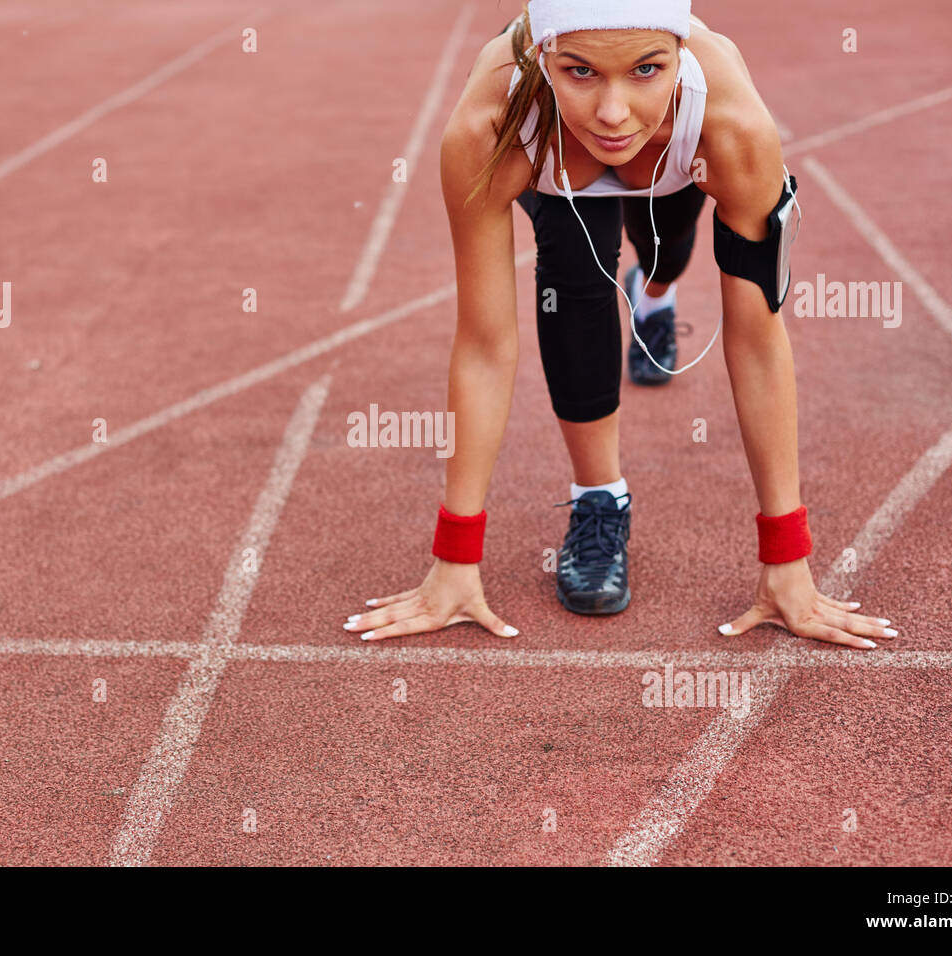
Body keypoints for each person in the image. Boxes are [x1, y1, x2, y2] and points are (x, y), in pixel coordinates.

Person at [343, 0, 896, 649]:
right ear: (544, 53)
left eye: (645, 69)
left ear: (680, 54)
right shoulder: (492, 123)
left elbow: (757, 337)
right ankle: (600, 496)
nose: (612, 112)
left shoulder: (732, 126)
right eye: (580, 70)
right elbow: (486, 345)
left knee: (666, 250)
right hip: (554, 156)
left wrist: (788, 563)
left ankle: (655, 294)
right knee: (575, 282)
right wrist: (455, 559)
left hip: (673, 167)